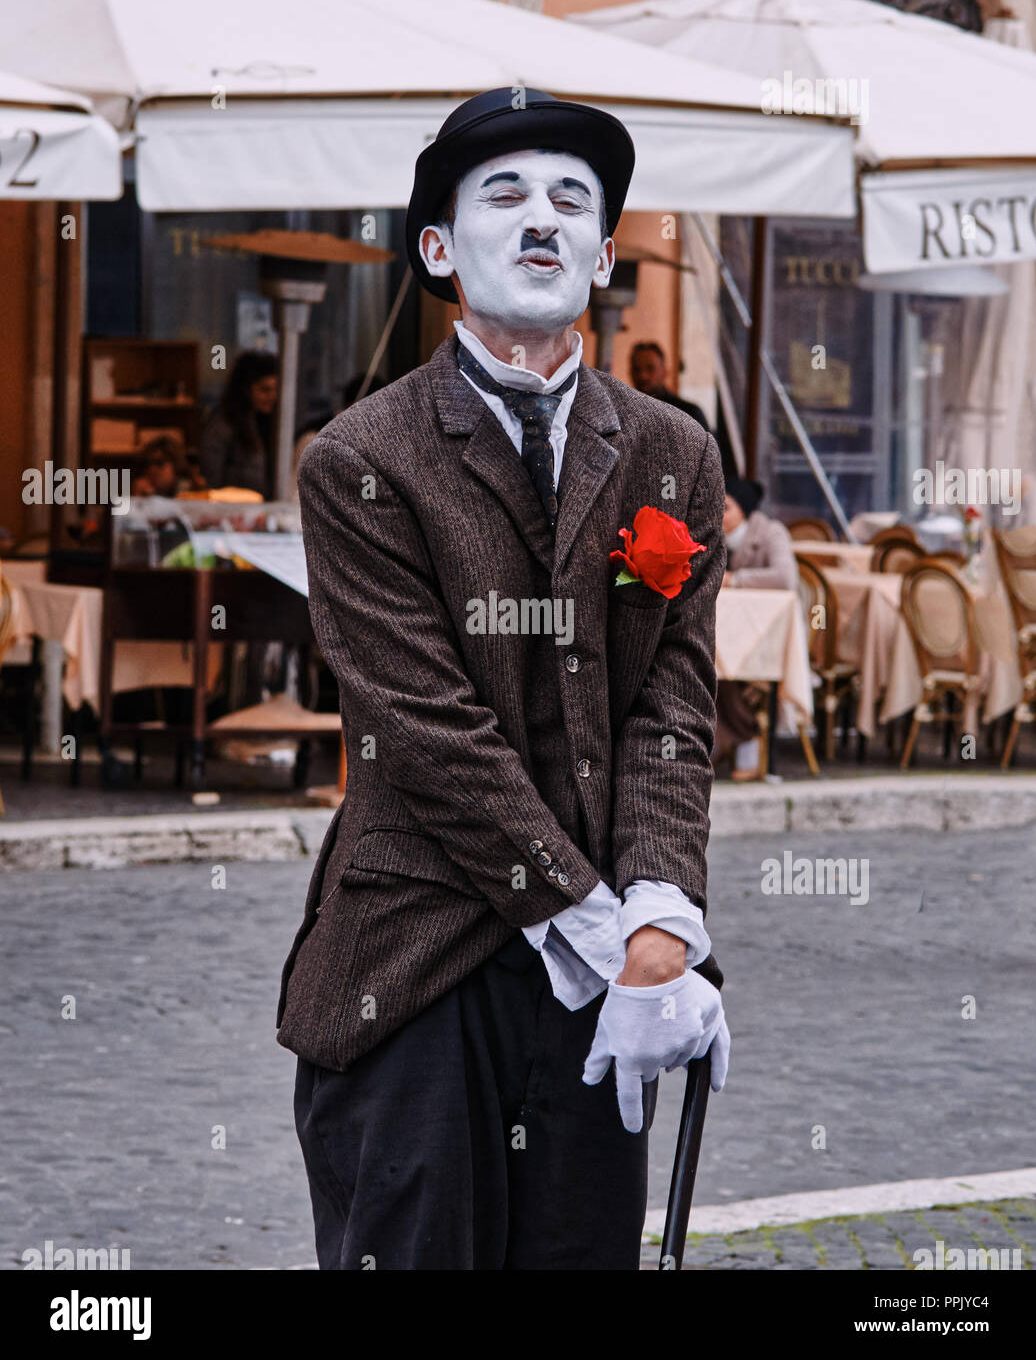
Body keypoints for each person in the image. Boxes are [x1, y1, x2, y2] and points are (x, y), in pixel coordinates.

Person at [277, 87, 729, 1271]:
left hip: (597, 990)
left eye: (572, 201)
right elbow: (426, 732)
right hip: (416, 961)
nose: (543, 220)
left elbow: (671, 709)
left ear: (602, 254)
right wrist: (608, 937)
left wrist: (665, 927)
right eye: (506, 196)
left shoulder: (674, 453)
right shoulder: (362, 459)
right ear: (439, 249)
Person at [715, 476, 799, 781]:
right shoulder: (713, 535)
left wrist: (735, 579)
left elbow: (785, 578)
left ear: (745, 512)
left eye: (725, 507)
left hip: (769, 636)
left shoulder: (771, 533)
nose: (718, 513)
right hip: (731, 630)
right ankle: (727, 739)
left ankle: (745, 739)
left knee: (727, 664)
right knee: (712, 659)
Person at [629, 340, 737, 478]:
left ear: (665, 371)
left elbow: (709, 464)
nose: (643, 376)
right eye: (636, 369)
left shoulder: (688, 413)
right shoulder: (626, 415)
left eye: (650, 368)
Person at [198, 352, 278, 498]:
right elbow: (211, 477)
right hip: (230, 511)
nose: (272, 397)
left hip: (261, 510)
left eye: (276, 390)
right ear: (245, 389)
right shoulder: (223, 423)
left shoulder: (271, 422)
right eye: (265, 390)